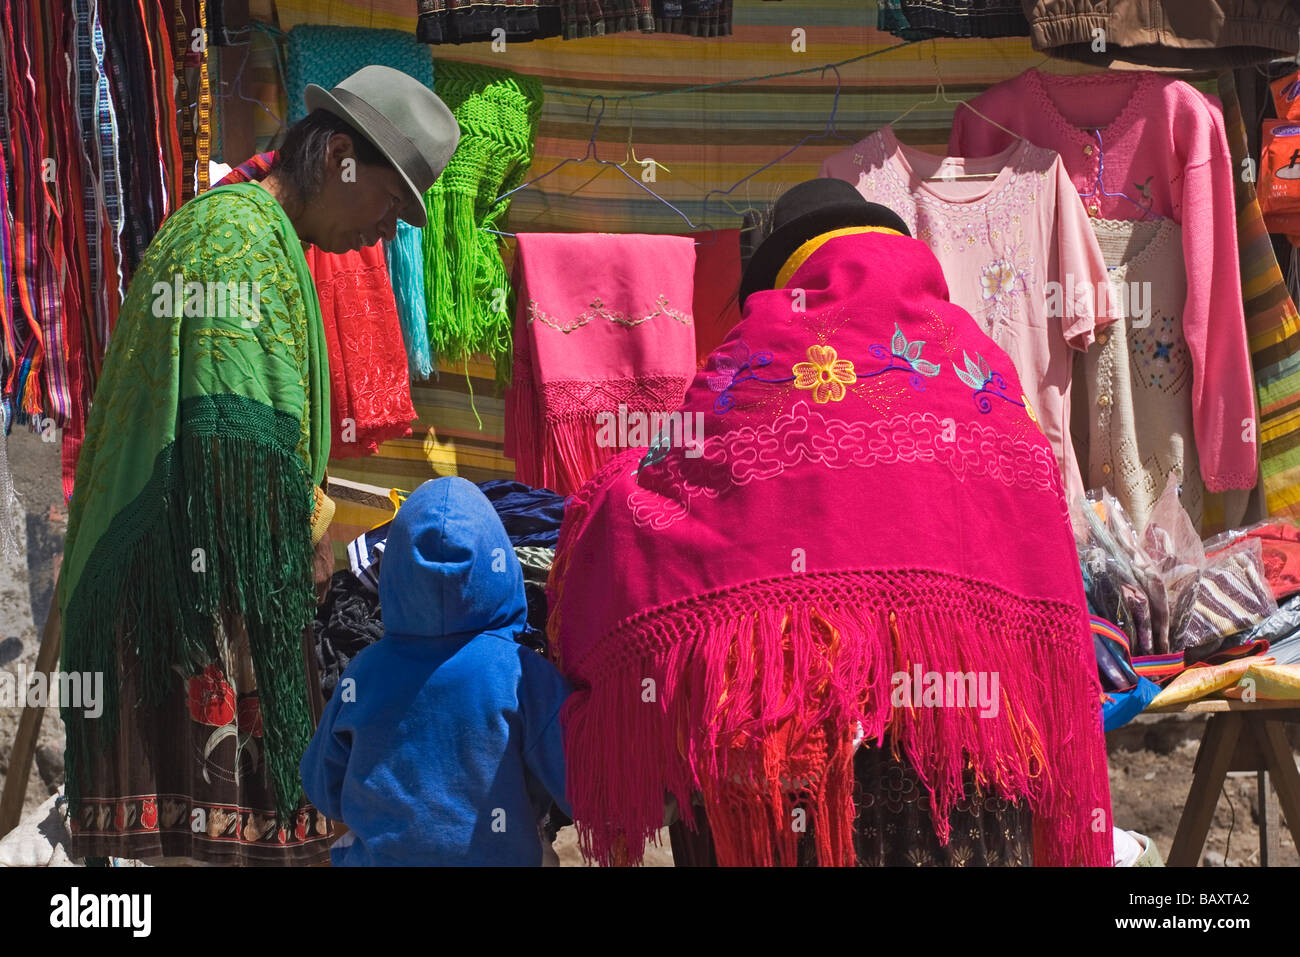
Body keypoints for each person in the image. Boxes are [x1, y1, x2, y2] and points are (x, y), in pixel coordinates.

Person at [546, 178, 1113, 867]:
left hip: (795, 791)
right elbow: (1039, 543)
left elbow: (657, 513)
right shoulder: (977, 369)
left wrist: (604, 501)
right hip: (967, 769)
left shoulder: (757, 358)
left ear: (783, 272)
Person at [57, 66, 459, 865]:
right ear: (341, 154)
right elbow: (231, 456)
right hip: (185, 590)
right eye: (387, 205)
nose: (384, 234)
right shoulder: (237, 242)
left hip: (197, 577)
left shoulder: (258, 235)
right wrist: (308, 532)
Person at [300, 476, 572, 866]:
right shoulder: (524, 675)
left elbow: (321, 787)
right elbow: (577, 790)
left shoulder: (365, 672)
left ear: (392, 570)